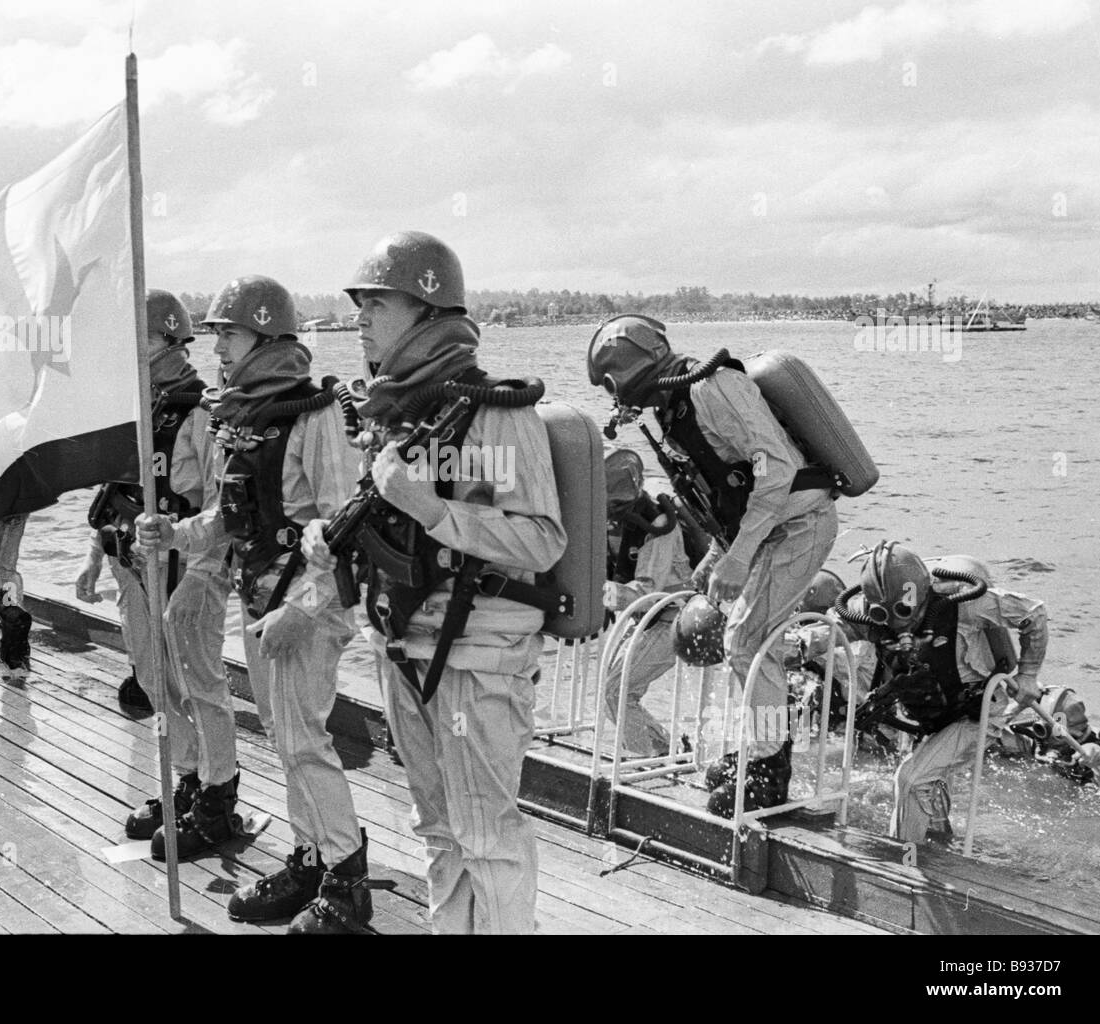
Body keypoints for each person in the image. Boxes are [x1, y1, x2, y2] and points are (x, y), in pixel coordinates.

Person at [301, 231, 567, 934]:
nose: (358, 318)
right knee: (438, 829)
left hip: (478, 657)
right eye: (358, 305)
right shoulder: (394, 418)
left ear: (424, 310)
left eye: (375, 303)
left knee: (487, 835)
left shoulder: (494, 415)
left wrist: (432, 509)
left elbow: (541, 540)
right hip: (404, 649)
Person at [136, 277, 368, 932]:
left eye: (228, 337)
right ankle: (309, 857)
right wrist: (173, 534)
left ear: (267, 336)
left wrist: (306, 604)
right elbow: (226, 517)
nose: (217, 352)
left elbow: (343, 527)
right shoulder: (238, 418)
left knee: (304, 740)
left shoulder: (314, 415)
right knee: (286, 740)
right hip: (261, 600)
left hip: (306, 608)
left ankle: (346, 882)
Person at [587, 316, 838, 816]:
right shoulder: (676, 407)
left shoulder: (714, 387)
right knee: (744, 645)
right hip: (766, 530)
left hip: (799, 523)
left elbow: (776, 468)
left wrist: (741, 554)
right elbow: (727, 486)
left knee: (747, 641)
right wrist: (719, 555)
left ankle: (769, 772)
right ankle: (759, 751)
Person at [833, 541, 1046, 843]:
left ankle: (905, 866)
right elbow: (829, 629)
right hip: (928, 715)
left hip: (975, 712)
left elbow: (1034, 614)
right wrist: (795, 644)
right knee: (927, 791)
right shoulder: (866, 615)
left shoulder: (963, 603)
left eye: (906, 612)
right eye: (886, 616)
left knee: (911, 780)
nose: (900, 625)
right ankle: (936, 845)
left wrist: (1027, 675)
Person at [76, 291, 207, 717]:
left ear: (172, 342)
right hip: (127, 558)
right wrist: (94, 560)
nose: (131, 354)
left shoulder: (200, 411)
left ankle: (206, 775)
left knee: (186, 682)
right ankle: (181, 764)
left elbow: (220, 509)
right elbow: (115, 491)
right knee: (151, 675)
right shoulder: (131, 406)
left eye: (143, 342)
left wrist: (201, 578)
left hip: (175, 563)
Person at [600, 446, 700, 757]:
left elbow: (646, 591)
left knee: (618, 692)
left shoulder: (658, 525)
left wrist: (600, 595)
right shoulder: (607, 520)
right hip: (649, 618)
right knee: (614, 691)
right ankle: (669, 750)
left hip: (673, 617)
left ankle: (643, 766)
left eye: (617, 504)